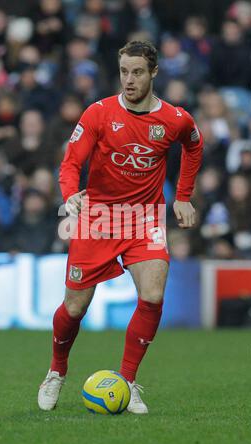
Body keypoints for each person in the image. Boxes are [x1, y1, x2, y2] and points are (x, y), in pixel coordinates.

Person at [38, 40, 203, 414]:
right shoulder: (98, 114)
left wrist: (183, 195)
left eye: (138, 72)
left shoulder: (175, 119)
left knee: (154, 295)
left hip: (144, 218)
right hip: (98, 217)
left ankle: (127, 380)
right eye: (124, 71)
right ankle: (56, 370)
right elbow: (69, 164)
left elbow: (194, 145)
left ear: (154, 73)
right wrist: (70, 195)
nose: (129, 80)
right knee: (75, 307)